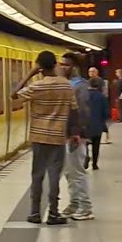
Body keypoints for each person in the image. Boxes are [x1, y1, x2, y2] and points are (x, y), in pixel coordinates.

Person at [13, 51, 77, 225]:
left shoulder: (37, 86)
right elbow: (74, 109)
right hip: (58, 136)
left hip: (38, 135)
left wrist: (29, 75)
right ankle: (54, 213)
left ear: (40, 67)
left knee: (37, 175)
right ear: (55, 64)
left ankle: (34, 213)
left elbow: (14, 96)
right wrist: (74, 133)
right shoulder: (67, 86)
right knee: (55, 175)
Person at [59, 52, 93, 219]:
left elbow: (83, 111)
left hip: (75, 135)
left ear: (75, 67)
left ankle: (86, 207)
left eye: (66, 65)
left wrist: (77, 133)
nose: (62, 67)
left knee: (77, 171)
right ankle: (74, 203)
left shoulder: (81, 86)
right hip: (65, 133)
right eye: (61, 64)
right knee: (68, 172)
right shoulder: (67, 84)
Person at [84, 77, 111, 171]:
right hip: (97, 124)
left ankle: (85, 157)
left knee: (84, 143)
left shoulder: (84, 95)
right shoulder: (102, 97)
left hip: (85, 124)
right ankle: (95, 164)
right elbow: (106, 113)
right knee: (96, 145)